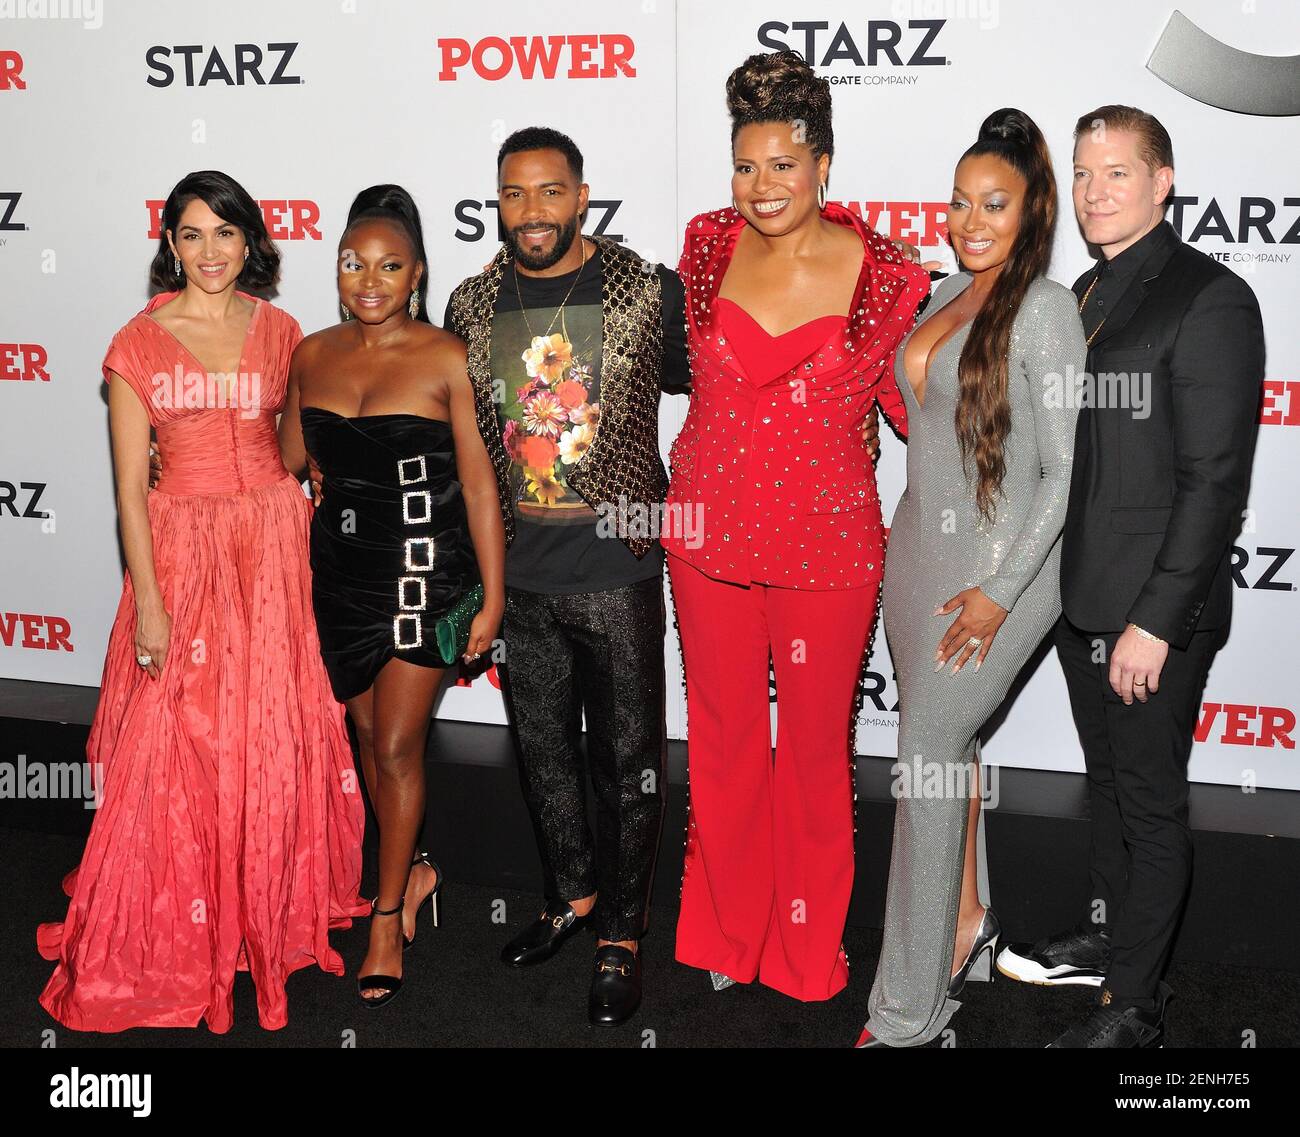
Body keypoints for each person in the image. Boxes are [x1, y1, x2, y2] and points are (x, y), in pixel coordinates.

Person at [36, 170, 367, 1032]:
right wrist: (149, 602)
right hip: (181, 549)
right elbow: (127, 492)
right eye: (191, 234)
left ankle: (266, 911)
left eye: (225, 233)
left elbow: (297, 446)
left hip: (273, 544)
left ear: (251, 241)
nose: (210, 251)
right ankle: (184, 927)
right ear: (170, 245)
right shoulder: (137, 345)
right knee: (180, 738)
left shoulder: (284, 330)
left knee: (270, 732)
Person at [663, 51, 931, 1002]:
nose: (761, 187)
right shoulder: (704, 246)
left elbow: (924, 416)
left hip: (827, 550)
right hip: (705, 540)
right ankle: (730, 935)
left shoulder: (890, 275)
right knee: (725, 742)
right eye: (745, 165)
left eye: (782, 164)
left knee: (814, 759)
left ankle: (805, 949)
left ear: (823, 162)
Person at [996, 105, 1264, 1048]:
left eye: (1117, 173)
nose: (1095, 192)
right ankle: (1107, 939)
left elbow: (1212, 481)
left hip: (1156, 610)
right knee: (1106, 787)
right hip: (1084, 600)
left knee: (1149, 804)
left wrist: (1156, 618)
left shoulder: (1210, 297)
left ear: (1164, 181)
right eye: (1082, 173)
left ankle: (1136, 1004)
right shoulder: (1083, 297)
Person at [443, 127, 689, 1026]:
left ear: (583, 195)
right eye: (515, 194)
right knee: (542, 751)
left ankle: (623, 932)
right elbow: (462, 437)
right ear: (497, 201)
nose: (533, 211)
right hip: (522, 575)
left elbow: (708, 385)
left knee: (627, 760)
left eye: (551, 192)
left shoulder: (643, 287)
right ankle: (572, 896)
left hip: (614, 563)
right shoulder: (470, 305)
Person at [855, 110, 1086, 1047]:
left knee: (925, 767)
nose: (970, 218)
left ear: (1033, 210)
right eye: (959, 201)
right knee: (947, 756)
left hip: (1006, 569)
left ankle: (907, 1011)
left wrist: (998, 591)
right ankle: (966, 928)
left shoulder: (1047, 308)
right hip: (919, 560)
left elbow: (1067, 471)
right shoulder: (948, 288)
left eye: (995, 203)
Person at [279, 185, 505, 1007]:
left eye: (388, 266)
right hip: (341, 576)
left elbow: (480, 484)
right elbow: (289, 460)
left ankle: (383, 915)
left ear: (415, 273)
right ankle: (413, 872)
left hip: (425, 572)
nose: (368, 280)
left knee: (399, 744)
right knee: (370, 736)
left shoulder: (445, 354)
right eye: (353, 263)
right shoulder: (311, 352)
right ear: (337, 269)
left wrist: (492, 597)